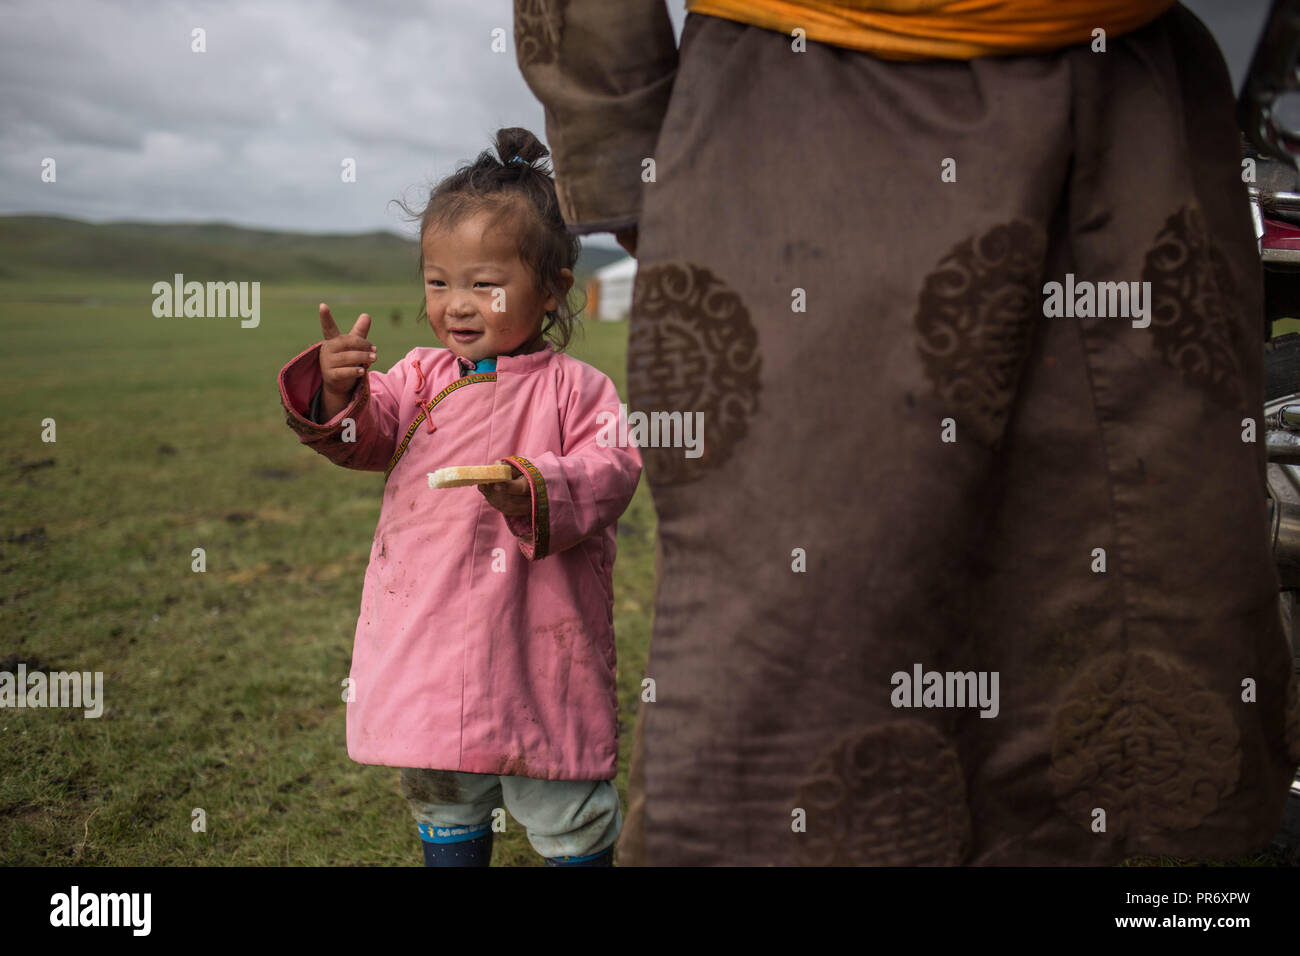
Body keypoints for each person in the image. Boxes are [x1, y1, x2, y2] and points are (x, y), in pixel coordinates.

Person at [515, 0, 1300, 865]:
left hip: (1144, 124)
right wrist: (627, 154)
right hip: (806, 113)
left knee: (1163, 632)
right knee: (811, 658)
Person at [276, 128, 642, 866]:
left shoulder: (578, 390)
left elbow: (613, 470)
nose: (456, 305)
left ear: (552, 290)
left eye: (485, 282)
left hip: (537, 642)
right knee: (444, 795)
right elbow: (366, 435)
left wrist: (534, 485)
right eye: (438, 282)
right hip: (428, 637)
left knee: (563, 801)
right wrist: (339, 390)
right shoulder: (416, 378)